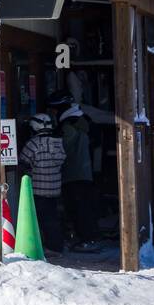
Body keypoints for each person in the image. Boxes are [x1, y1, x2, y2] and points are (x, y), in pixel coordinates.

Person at [50, 90, 101, 252]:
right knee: (85, 206)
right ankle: (90, 237)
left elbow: (64, 149)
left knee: (79, 208)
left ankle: (88, 239)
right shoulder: (82, 120)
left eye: (53, 110)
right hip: (86, 171)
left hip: (74, 172)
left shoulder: (69, 126)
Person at [18, 113, 66, 253]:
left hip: (38, 188)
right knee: (53, 217)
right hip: (55, 188)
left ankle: (51, 247)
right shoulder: (58, 142)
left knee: (41, 219)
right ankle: (57, 244)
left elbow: (23, 161)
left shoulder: (33, 143)